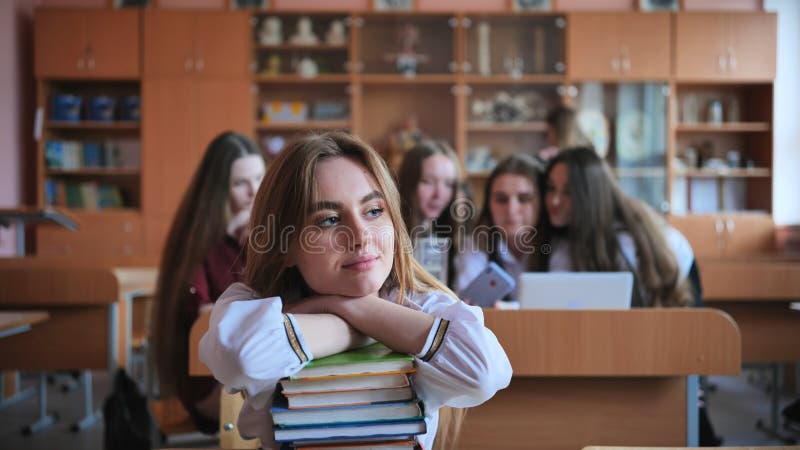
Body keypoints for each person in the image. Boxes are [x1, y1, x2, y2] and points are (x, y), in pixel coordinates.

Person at [198, 131, 512, 449]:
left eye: (374, 211)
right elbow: (244, 357)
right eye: (330, 219)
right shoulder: (250, 305)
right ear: (286, 245)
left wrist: (351, 307)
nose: (360, 236)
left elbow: (482, 372)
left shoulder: (421, 303)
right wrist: (363, 326)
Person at [152, 131, 265, 433]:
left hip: (247, 365)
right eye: (241, 183)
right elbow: (199, 315)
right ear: (218, 190)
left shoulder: (262, 232)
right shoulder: (198, 239)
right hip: (208, 381)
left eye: (259, 178)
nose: (254, 191)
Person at [532, 146, 691, 307]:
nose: (554, 201)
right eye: (551, 188)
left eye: (568, 192)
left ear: (590, 196)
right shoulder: (555, 238)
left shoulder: (625, 242)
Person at [454, 154, 544, 304]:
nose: (511, 210)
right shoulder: (477, 243)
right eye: (501, 200)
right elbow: (465, 305)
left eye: (524, 199)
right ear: (488, 205)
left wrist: (509, 310)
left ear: (542, 202)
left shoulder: (558, 246)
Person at [396, 140, 464, 286]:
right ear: (409, 183)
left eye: (448, 184)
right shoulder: (389, 236)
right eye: (428, 181)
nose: (439, 194)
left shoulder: (450, 234)